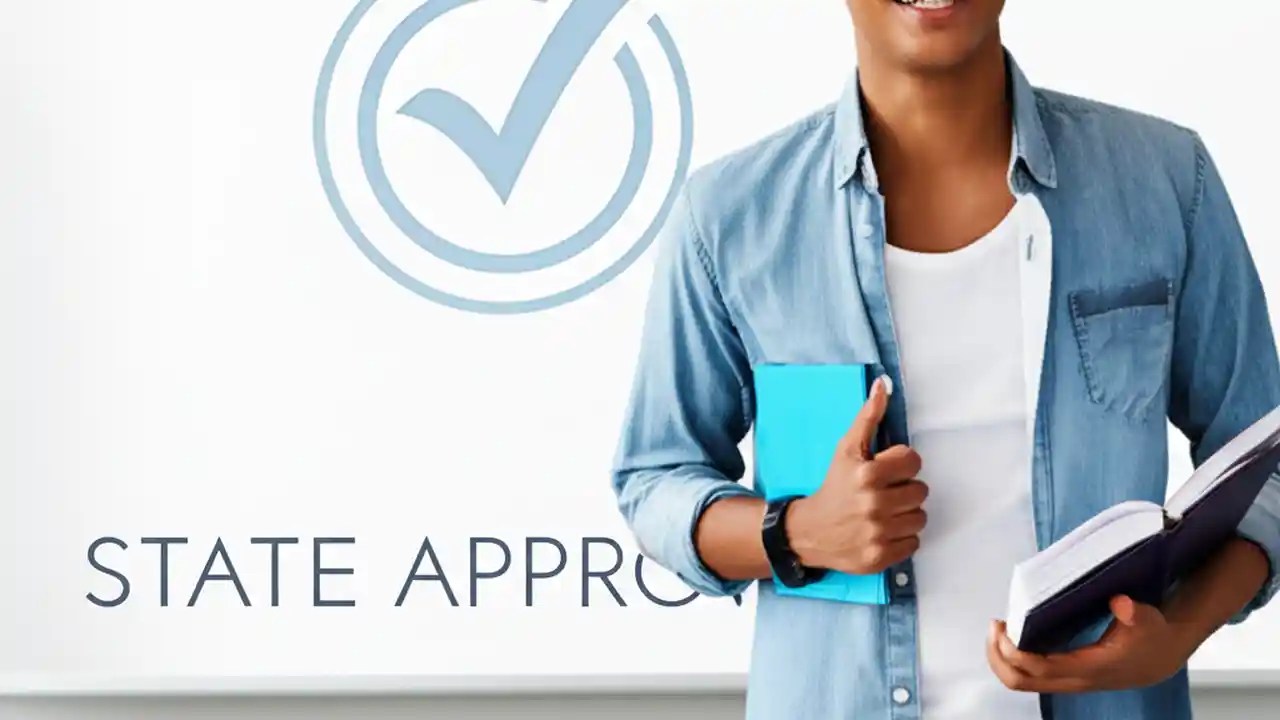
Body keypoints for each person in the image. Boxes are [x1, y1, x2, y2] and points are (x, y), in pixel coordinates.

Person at [610, 0, 1280, 718]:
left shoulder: (1166, 181)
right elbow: (655, 477)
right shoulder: (730, 217)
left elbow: (1267, 459)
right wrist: (796, 532)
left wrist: (1178, 632)